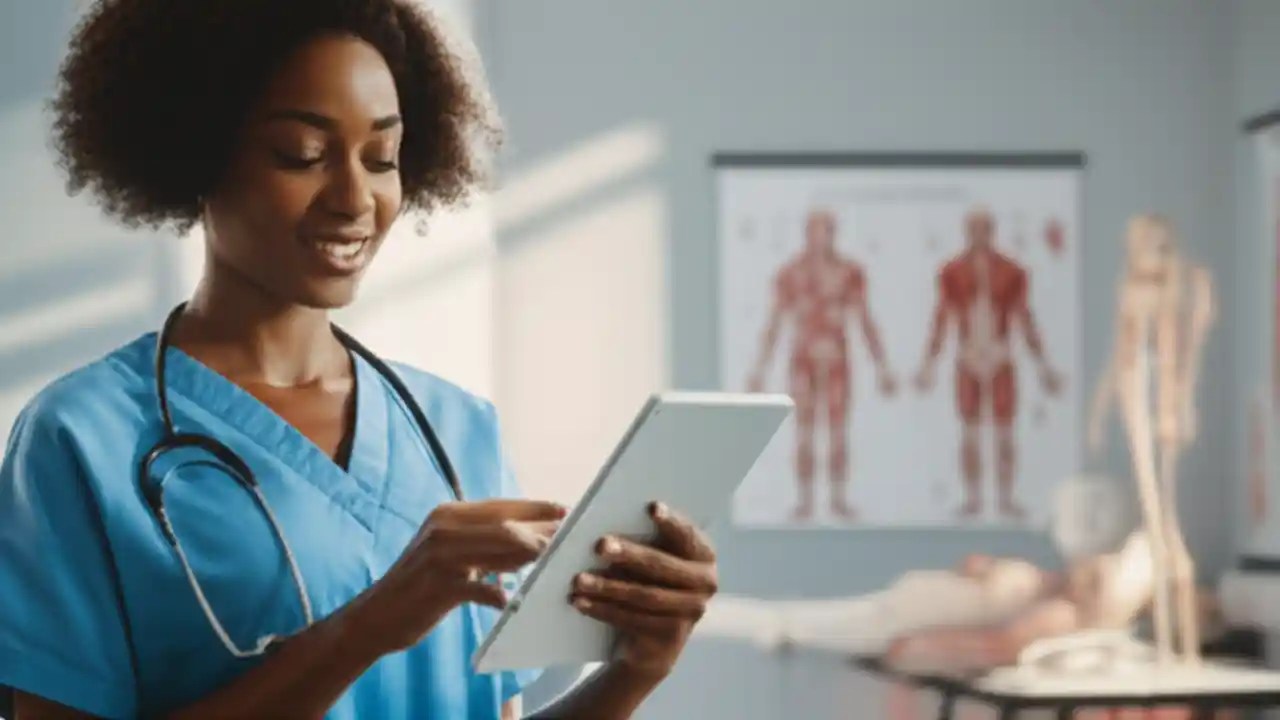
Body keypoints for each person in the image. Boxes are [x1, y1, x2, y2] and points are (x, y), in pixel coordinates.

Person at [0, 2, 719, 718]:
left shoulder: (455, 429)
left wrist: (633, 673)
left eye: (382, 159)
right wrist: (371, 624)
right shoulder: (83, 437)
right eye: (301, 155)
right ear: (195, 154)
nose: (355, 199)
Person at [746, 209, 896, 521]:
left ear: (832, 234)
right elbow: (775, 322)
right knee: (805, 431)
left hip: (836, 360)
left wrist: (881, 366)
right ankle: (805, 500)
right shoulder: (791, 274)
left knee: (838, 431)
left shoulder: (849, 272)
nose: (819, 238)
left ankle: (838, 498)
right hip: (804, 360)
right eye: (814, 231)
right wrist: (760, 368)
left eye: (824, 231)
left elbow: (864, 319)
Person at [914, 207, 1062, 520]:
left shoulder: (1012, 272)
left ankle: (1005, 499)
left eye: (983, 228)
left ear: (992, 231)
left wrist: (1044, 367)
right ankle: (973, 498)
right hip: (968, 355)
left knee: (1004, 432)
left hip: (1000, 355)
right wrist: (929, 364)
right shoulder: (952, 271)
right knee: (970, 432)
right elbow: (942, 319)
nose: (978, 235)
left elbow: (1025, 319)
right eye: (973, 228)